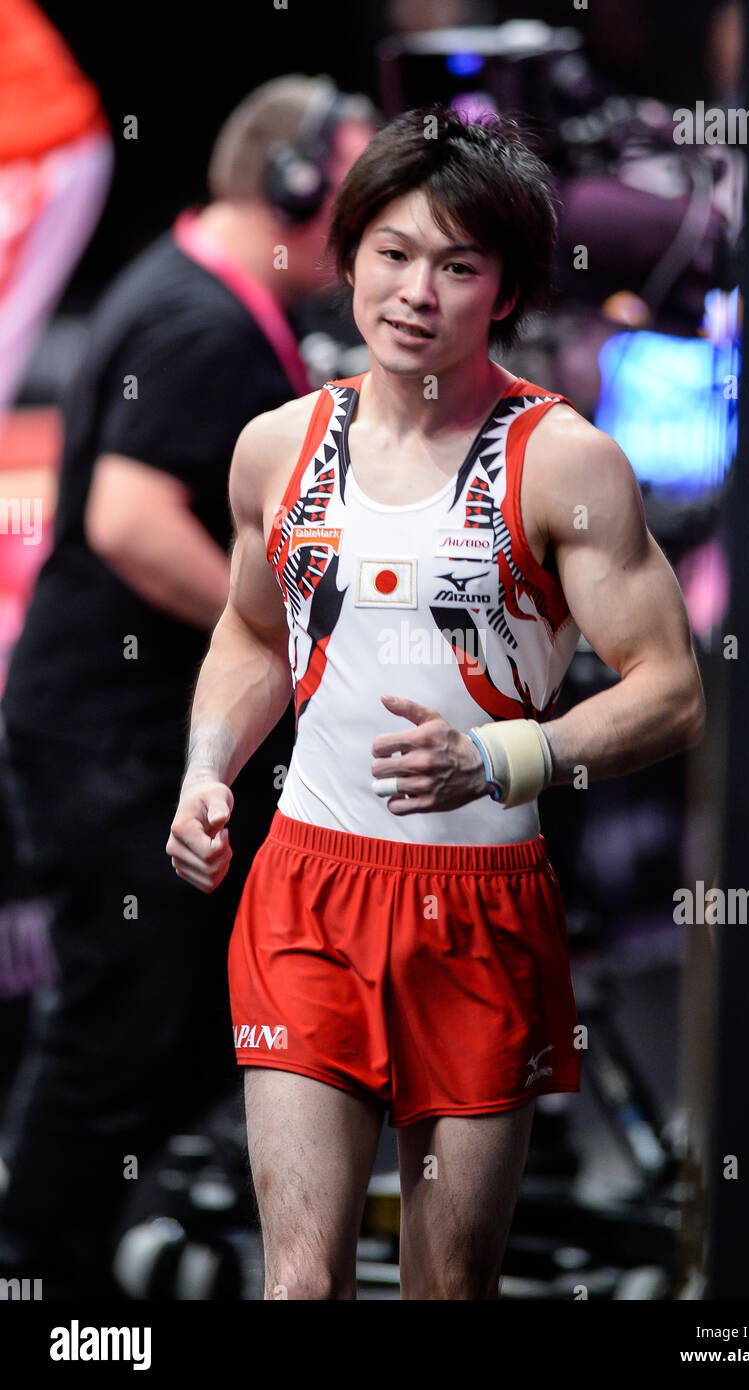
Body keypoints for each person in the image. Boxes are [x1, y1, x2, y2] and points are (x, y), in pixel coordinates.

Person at [167, 104, 706, 1301]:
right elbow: (256, 630)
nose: (416, 290)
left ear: (503, 292)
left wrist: (506, 756)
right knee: (300, 1284)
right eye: (394, 254)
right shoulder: (276, 447)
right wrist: (209, 766)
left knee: (442, 1290)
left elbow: (671, 694)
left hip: (477, 910)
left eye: (457, 266)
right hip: (306, 882)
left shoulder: (564, 461)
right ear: (348, 257)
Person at [0, 75, 375, 1299]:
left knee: (165, 1023)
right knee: (119, 1031)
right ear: (293, 190)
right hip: (104, 742)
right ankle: (42, 1283)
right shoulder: (202, 323)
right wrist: (290, 625)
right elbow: (123, 517)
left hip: (113, 733)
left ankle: (109, 1257)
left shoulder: (195, 289)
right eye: (359, 207)